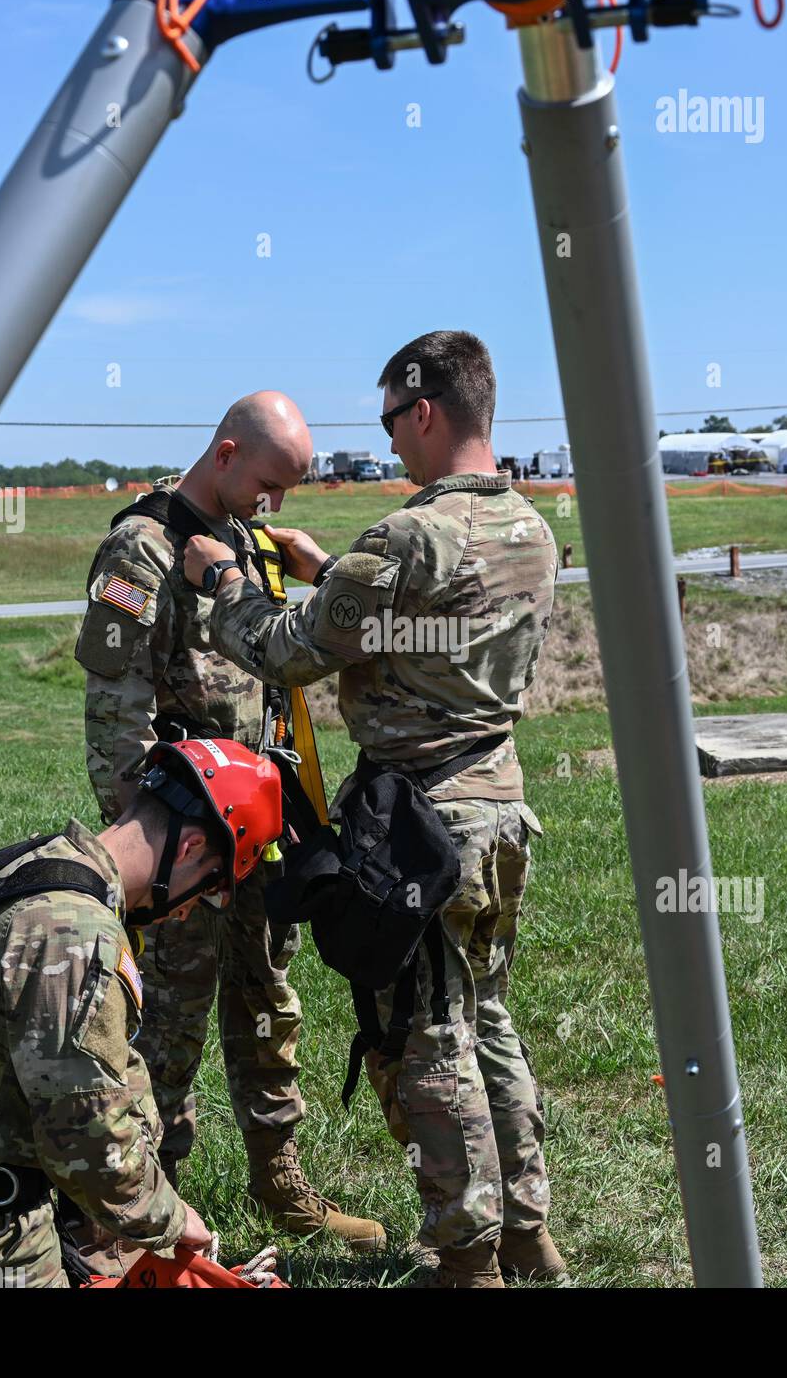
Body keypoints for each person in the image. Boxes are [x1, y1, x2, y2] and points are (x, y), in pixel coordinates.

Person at [187, 331, 565, 1287]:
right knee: (487, 1020)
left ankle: (464, 1255)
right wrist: (327, 574)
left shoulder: (403, 537)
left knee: (427, 1037)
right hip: (500, 809)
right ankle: (528, 1232)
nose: (391, 443)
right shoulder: (530, 528)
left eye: (393, 422)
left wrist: (221, 581)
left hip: (422, 827)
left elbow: (282, 652)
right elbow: (424, 626)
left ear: (424, 410)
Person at [74, 391, 383, 1251]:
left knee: (266, 1001)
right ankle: (149, 1211)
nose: (274, 504)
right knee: (165, 1025)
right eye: (267, 482)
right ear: (224, 451)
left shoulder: (242, 544)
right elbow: (114, 714)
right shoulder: (139, 549)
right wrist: (140, 853)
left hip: (260, 823)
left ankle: (278, 1177)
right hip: (178, 838)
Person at [0, 739, 281, 1288]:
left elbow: (103, 1074)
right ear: (192, 845)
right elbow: (85, 1140)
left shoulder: (40, 862)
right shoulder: (76, 936)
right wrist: (172, 1221)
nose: (195, 907)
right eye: (214, 885)